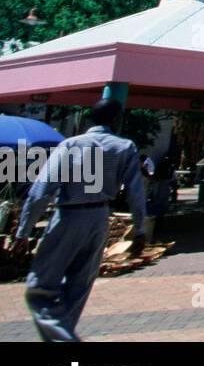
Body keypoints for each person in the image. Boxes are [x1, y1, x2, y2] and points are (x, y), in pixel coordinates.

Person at [12, 98, 147, 342]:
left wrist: (23, 231)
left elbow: (41, 191)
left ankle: (62, 339)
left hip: (68, 214)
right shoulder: (124, 147)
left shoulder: (70, 145)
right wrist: (139, 229)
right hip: (100, 218)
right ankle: (62, 335)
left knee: (39, 288)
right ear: (116, 120)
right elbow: (136, 193)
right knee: (79, 285)